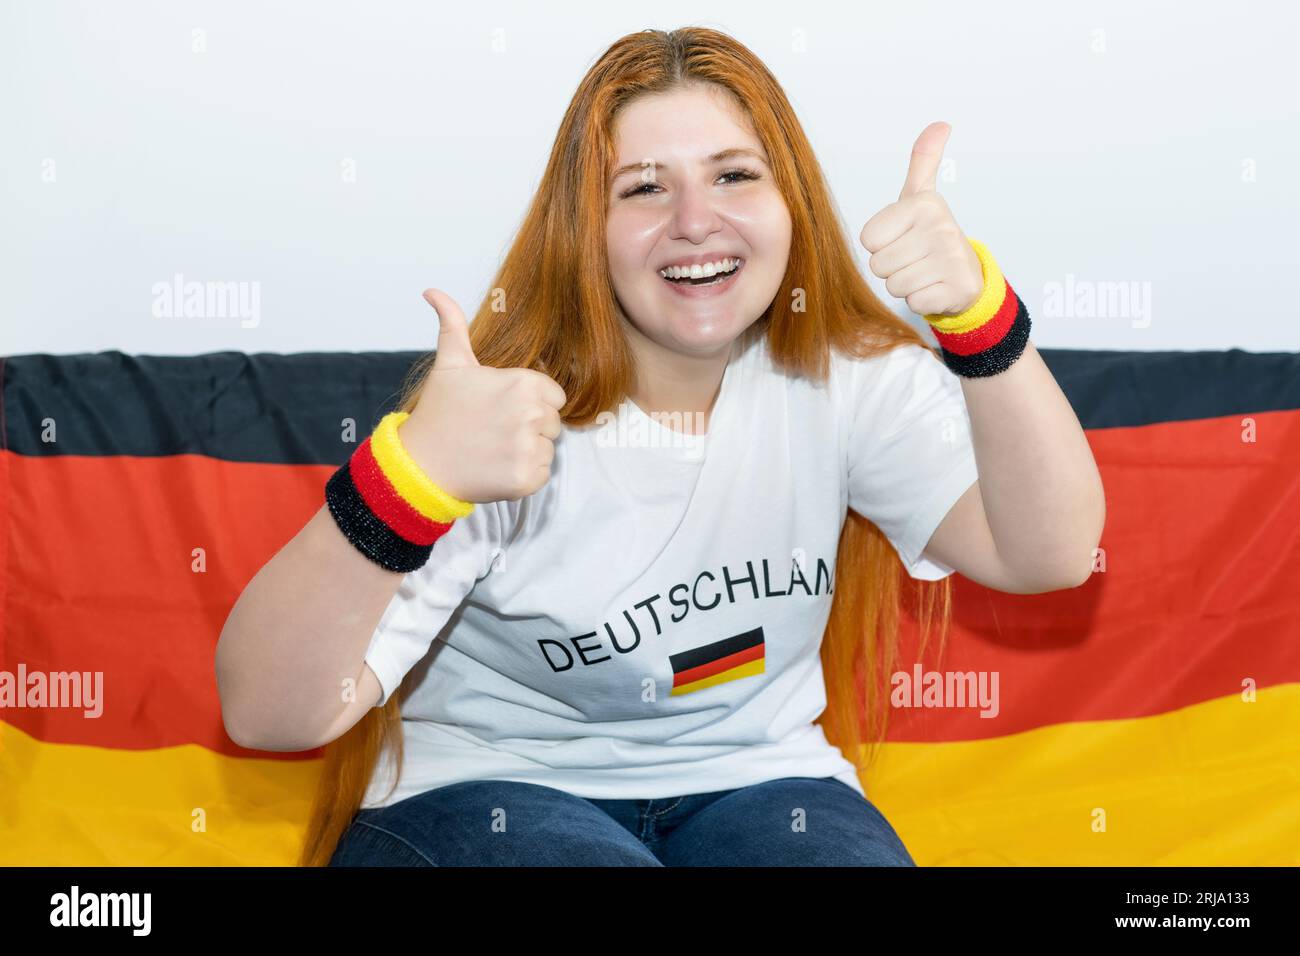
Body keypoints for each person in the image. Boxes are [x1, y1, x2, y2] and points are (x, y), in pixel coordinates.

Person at [215, 27, 1105, 867]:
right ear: (584, 229)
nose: (695, 220)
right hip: (486, 788)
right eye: (644, 187)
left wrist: (979, 320)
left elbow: (1052, 555)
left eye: (734, 176)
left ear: (789, 202)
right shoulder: (501, 416)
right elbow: (266, 714)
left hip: (760, 785)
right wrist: (409, 481)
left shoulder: (850, 377)